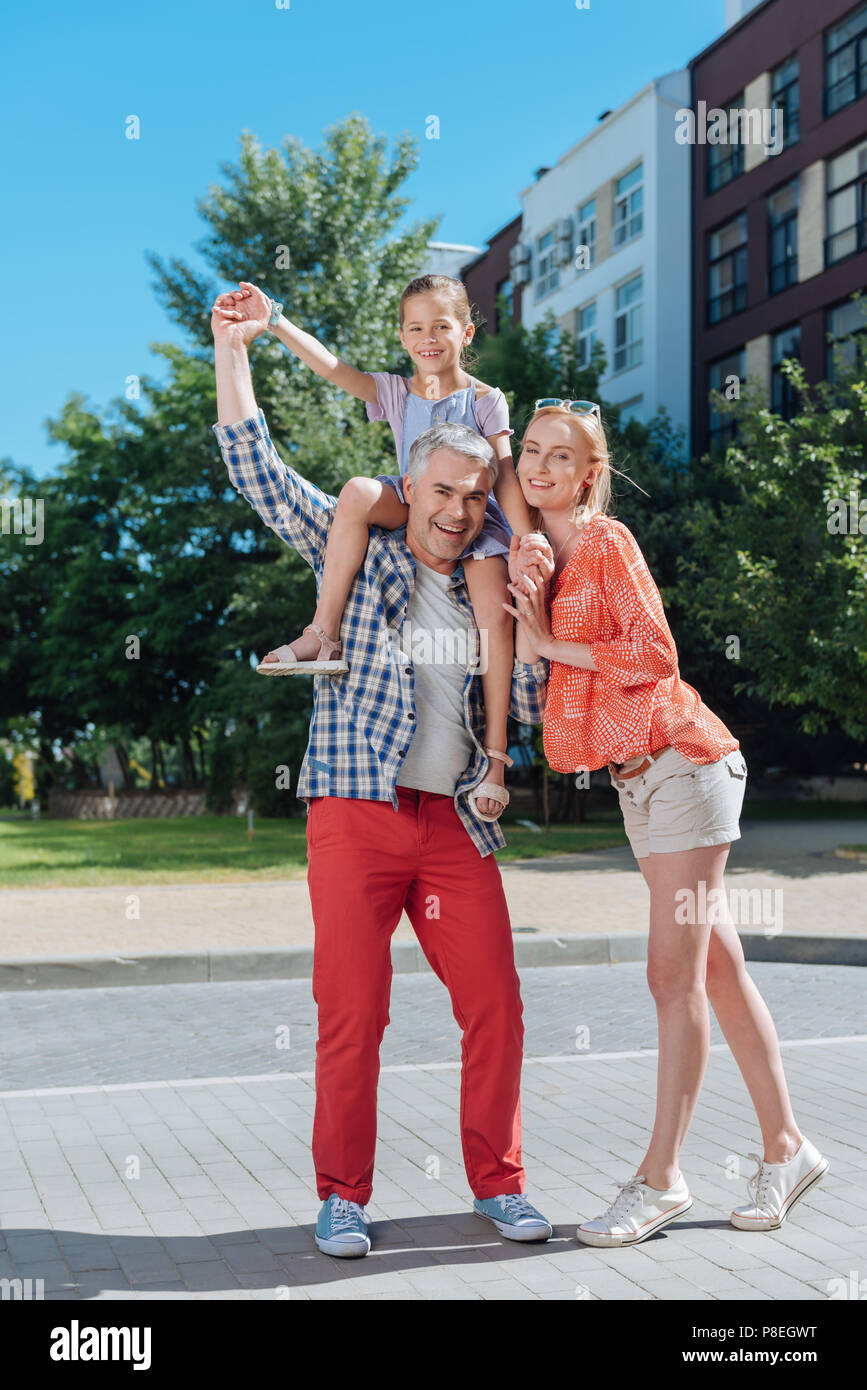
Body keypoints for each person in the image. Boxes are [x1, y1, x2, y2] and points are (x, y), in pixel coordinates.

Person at [210, 289, 554, 1258]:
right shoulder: (358, 551)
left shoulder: (488, 581)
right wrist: (236, 348)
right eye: (441, 492)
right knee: (352, 1013)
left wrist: (532, 632)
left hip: (452, 824)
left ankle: (500, 1182)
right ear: (414, 481)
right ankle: (342, 1196)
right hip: (357, 813)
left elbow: (524, 712)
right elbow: (257, 469)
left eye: (473, 498)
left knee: (495, 1002)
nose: (455, 511)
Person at [504, 400, 829, 1248]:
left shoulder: (606, 542)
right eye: (529, 451)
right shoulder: (541, 556)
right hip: (639, 783)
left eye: (559, 456)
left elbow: (653, 656)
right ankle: (786, 1150)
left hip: (685, 762)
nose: (539, 466)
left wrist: (549, 643)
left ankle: (659, 1180)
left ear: (588, 473)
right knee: (716, 969)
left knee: (668, 977)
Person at [212, 275, 534, 822]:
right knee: (358, 493)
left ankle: (496, 758)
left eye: (441, 327)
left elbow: (503, 473)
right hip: (411, 507)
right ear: (403, 336)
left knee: (494, 625)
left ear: (467, 332)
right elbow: (333, 369)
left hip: (482, 529)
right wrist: (274, 323)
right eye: (415, 328)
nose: (428, 338)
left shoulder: (484, 398)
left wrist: (527, 542)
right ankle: (324, 634)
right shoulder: (396, 394)